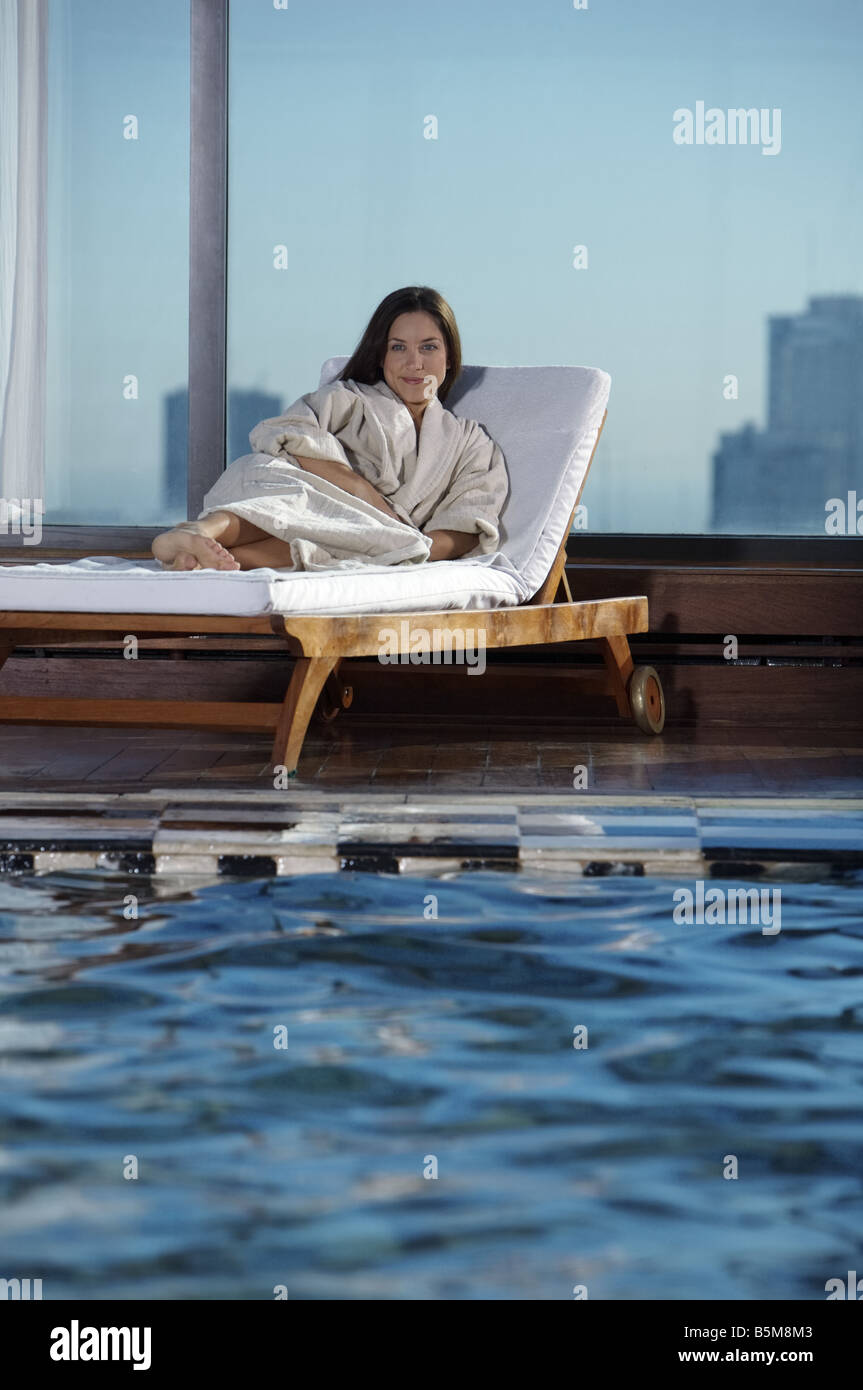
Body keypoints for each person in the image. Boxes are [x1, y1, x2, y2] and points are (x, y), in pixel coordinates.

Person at [152, 286, 508, 573]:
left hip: (376, 532)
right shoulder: (349, 398)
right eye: (398, 347)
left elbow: (468, 519)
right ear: (381, 356)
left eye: (428, 347)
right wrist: (361, 490)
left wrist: (414, 549)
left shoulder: (470, 442)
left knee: (339, 537)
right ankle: (201, 531)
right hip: (315, 496)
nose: (414, 363)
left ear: (449, 357)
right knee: (269, 474)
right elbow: (285, 434)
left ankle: (209, 562)